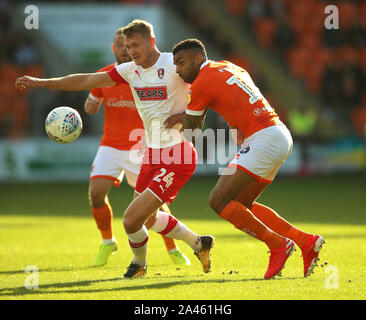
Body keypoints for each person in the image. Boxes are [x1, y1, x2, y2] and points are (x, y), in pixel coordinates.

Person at [15, 20, 214, 280]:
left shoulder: (173, 64)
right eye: (127, 46)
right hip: (151, 154)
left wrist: (185, 114)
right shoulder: (130, 70)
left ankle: (139, 265)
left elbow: (208, 91)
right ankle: (199, 243)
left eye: (136, 45)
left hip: (177, 155)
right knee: (149, 219)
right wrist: (42, 83)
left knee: (131, 220)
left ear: (152, 42)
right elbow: (86, 79)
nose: (131, 50)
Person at [169, 38, 324, 279]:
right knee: (241, 206)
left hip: (264, 138)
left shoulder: (201, 82)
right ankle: (305, 242)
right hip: (277, 132)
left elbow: (191, 130)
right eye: (175, 65)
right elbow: (240, 93)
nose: (178, 70)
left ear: (198, 58)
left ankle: (278, 245)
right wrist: (235, 123)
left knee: (218, 201)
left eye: (181, 62)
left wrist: (181, 129)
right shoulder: (230, 66)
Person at [85, 28, 190, 267]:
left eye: (130, 45)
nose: (125, 50)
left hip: (141, 147)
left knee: (157, 204)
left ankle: (172, 248)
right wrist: (88, 107)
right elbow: (92, 101)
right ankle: (107, 241)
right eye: (121, 45)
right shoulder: (106, 76)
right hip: (110, 146)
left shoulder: (147, 73)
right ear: (114, 48)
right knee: (96, 193)